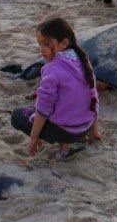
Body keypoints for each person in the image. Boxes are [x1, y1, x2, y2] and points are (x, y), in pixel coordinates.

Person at [11, 17, 102, 160]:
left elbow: (43, 109)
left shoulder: (52, 69)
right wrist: (94, 129)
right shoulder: (82, 59)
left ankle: (63, 150)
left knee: (17, 115)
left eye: (47, 44)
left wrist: (34, 137)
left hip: (66, 131)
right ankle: (64, 148)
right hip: (84, 127)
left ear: (64, 43)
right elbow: (93, 93)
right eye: (40, 44)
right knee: (59, 103)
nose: (42, 49)